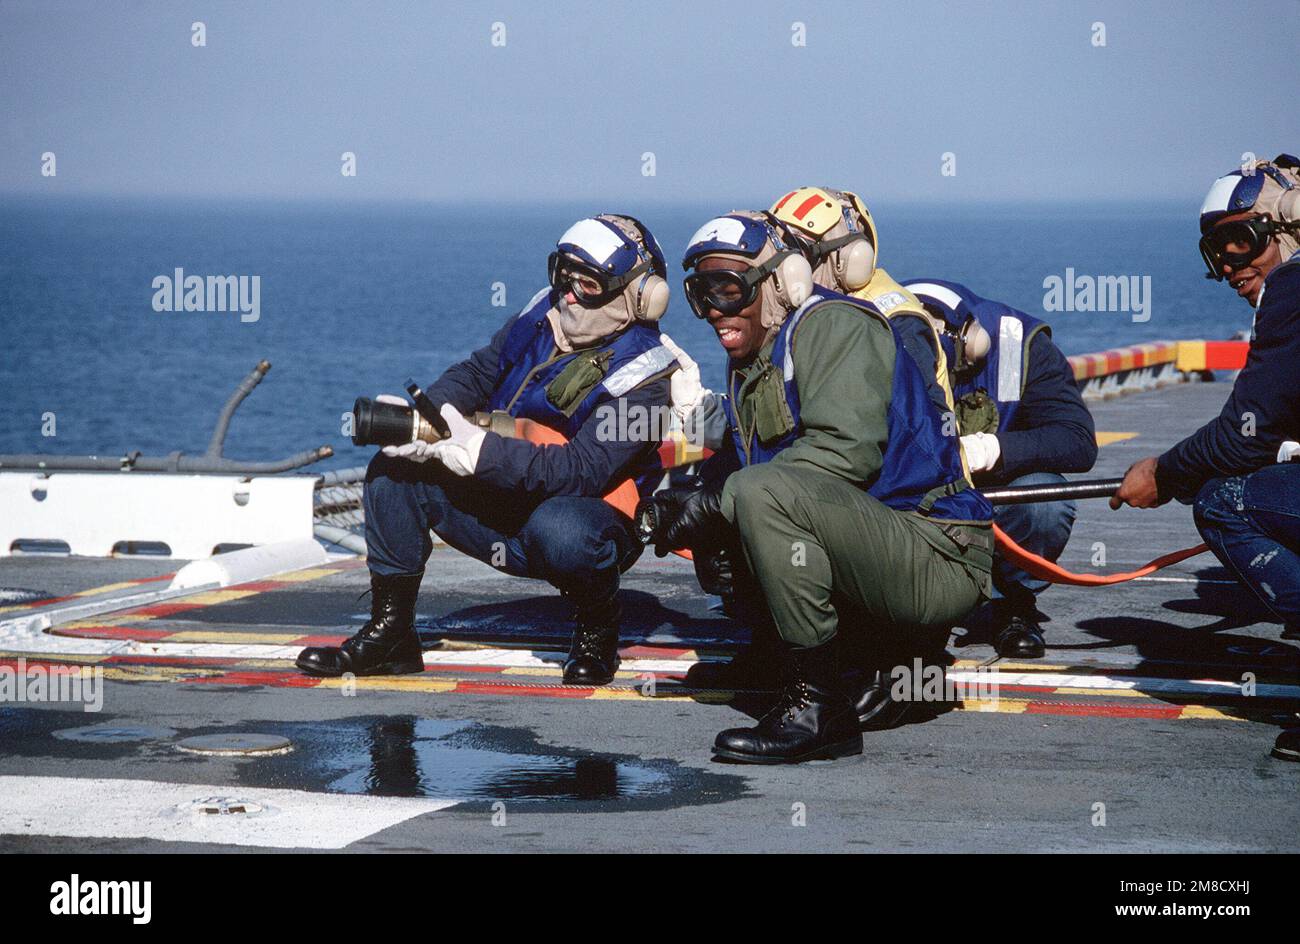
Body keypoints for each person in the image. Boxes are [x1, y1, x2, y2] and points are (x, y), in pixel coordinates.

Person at [642, 211, 993, 763]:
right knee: (732, 512)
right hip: (881, 543)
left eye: (728, 289)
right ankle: (786, 659)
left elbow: (843, 454)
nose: (713, 310)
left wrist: (716, 502)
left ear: (783, 283)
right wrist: (684, 507)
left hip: (936, 551)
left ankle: (820, 708)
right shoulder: (758, 357)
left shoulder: (834, 327)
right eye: (700, 294)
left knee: (754, 496)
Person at [297, 214, 678, 686]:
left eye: (589, 284)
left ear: (639, 296)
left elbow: (582, 471)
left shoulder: (645, 377)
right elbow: (479, 372)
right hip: (506, 498)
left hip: (586, 518)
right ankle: (393, 635)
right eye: (563, 276)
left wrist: (480, 453)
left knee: (562, 529)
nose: (571, 294)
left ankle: (598, 636)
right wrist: (427, 421)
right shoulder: (544, 313)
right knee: (391, 473)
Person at [1110, 154, 1300, 762]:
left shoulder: (1292, 290)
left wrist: (1164, 472)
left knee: (1226, 502)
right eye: (1215, 252)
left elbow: (1243, 438)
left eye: (1240, 241)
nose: (1228, 264)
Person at [904, 279, 1097, 657]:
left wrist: (992, 449)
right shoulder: (871, 339)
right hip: (909, 498)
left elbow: (1077, 440)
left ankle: (1010, 603)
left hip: (994, 494)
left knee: (1045, 505)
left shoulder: (1020, 343)